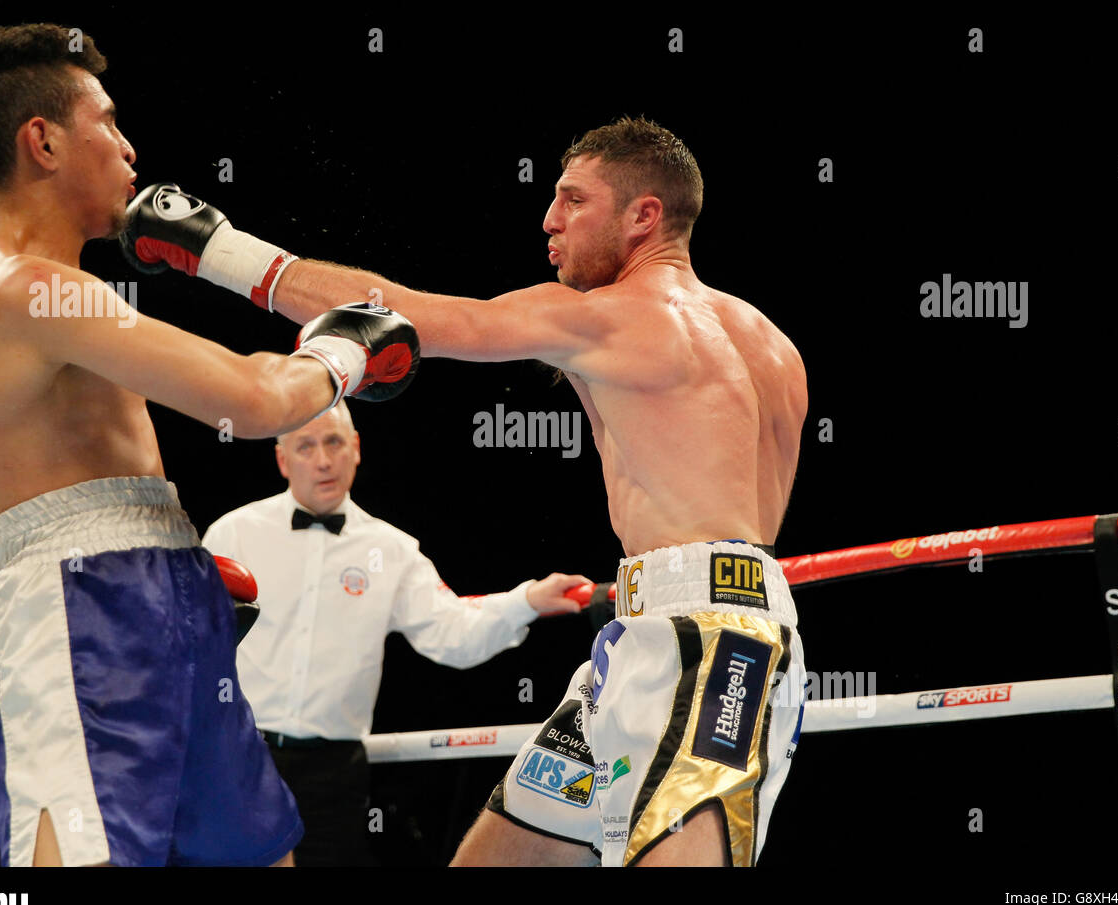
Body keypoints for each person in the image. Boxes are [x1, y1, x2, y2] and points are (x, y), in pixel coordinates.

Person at [122, 116, 808, 867]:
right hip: (650, 636)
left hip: (714, 647)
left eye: (575, 200)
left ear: (644, 215)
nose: (549, 219)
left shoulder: (608, 318)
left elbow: (402, 314)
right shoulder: (774, 346)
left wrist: (220, 251)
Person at [0, 23, 417, 867]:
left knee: (258, 856)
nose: (130, 150)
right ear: (42, 140)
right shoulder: (23, 289)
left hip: (172, 592)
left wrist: (262, 284)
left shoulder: (65, 293)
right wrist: (345, 352)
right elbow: (259, 399)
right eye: (111, 123)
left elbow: (259, 371)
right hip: (79, 603)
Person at [199, 402, 591, 864]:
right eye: (305, 446)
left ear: (356, 448)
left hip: (334, 772)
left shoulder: (392, 549)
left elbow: (452, 632)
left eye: (334, 442)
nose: (323, 460)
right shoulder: (234, 533)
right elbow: (193, 647)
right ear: (283, 459)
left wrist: (526, 600)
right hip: (239, 749)